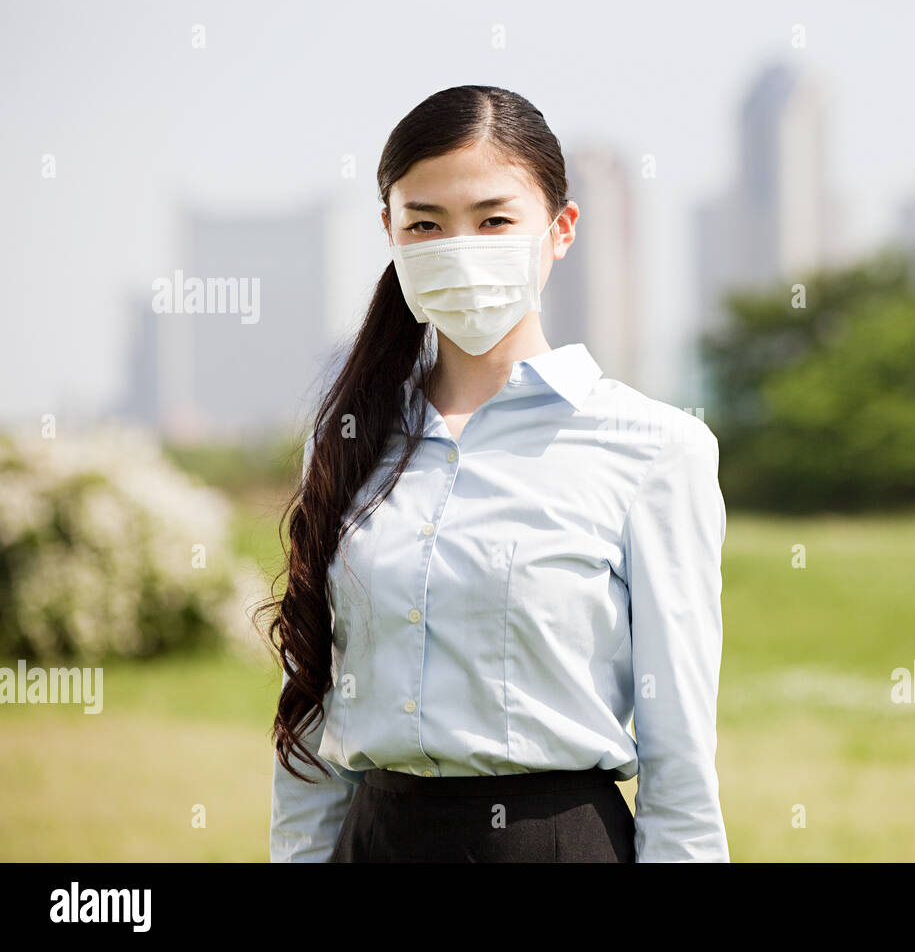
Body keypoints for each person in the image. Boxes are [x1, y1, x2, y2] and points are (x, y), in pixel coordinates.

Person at [263, 85, 729, 862]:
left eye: (494, 219)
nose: (460, 246)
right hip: (373, 840)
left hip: (555, 842)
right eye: (425, 224)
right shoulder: (345, 441)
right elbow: (309, 714)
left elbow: (680, 750)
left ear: (561, 229)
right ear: (390, 232)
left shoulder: (652, 448)